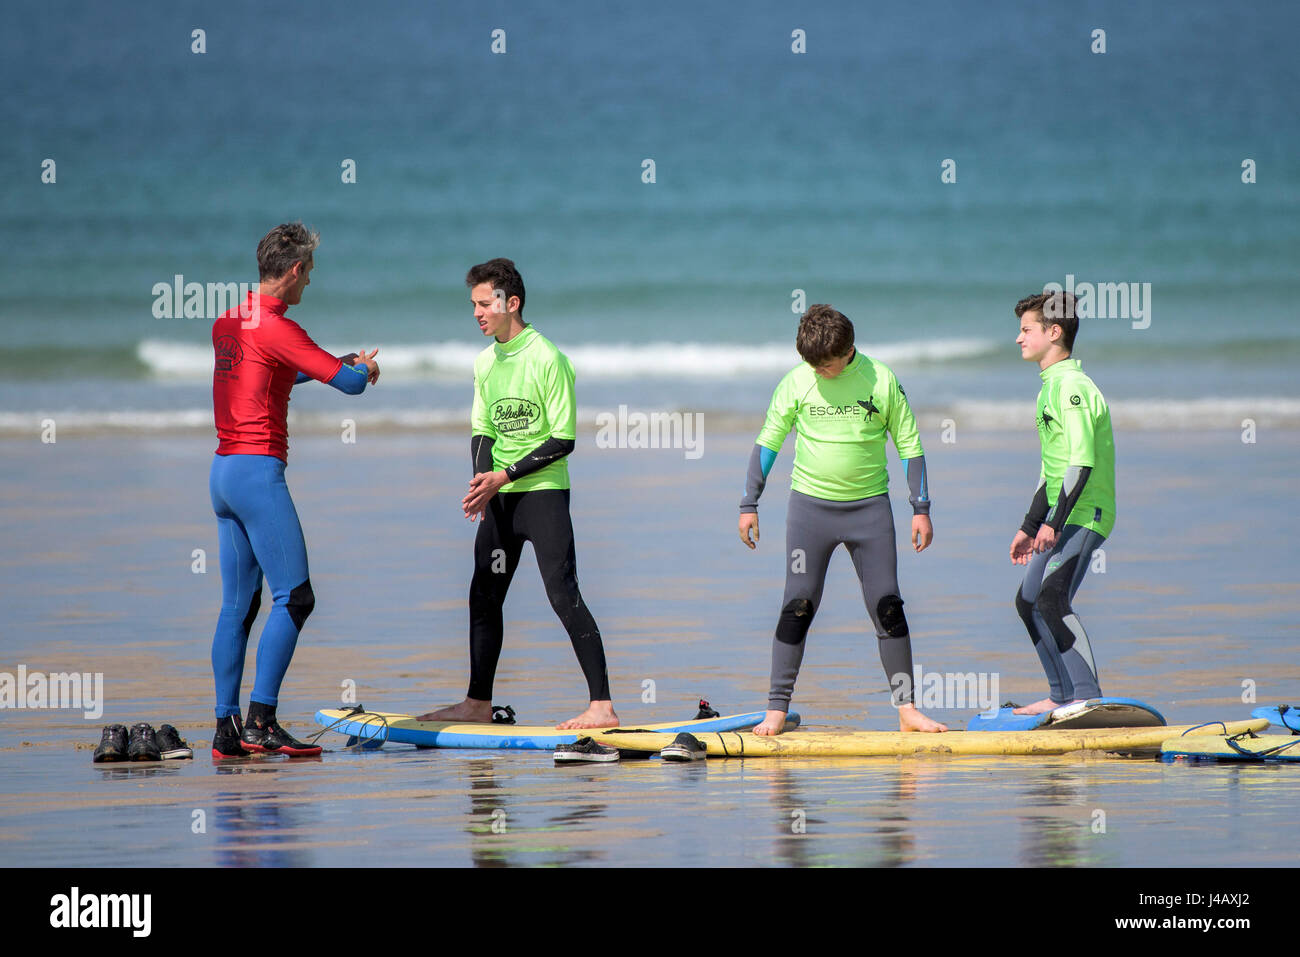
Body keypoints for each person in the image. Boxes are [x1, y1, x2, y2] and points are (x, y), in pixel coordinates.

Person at [417, 258, 617, 730]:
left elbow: (563, 438)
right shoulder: (486, 363)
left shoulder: (548, 357)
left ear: (512, 303)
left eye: (484, 304)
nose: (477, 313)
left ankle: (602, 706)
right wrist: (481, 483)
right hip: (500, 496)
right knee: (483, 595)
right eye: (473, 305)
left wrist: (503, 477)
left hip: (542, 495)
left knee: (562, 593)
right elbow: (482, 429)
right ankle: (477, 703)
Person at [208, 222, 379, 758]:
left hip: (223, 475)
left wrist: (328, 363)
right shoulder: (283, 327)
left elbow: (267, 373)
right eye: (310, 274)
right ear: (295, 269)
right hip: (259, 475)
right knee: (296, 597)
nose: (309, 286)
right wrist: (363, 368)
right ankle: (261, 720)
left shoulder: (228, 321)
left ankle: (226, 731)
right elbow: (350, 385)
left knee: (238, 606)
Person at [739, 304, 946, 735]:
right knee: (798, 605)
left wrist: (920, 509)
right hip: (808, 511)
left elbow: (910, 444)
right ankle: (776, 708)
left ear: (848, 350)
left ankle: (907, 710)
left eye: (826, 365)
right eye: (811, 364)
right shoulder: (798, 380)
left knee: (887, 605)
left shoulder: (881, 380)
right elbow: (768, 441)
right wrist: (749, 503)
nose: (818, 372)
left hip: (870, 511)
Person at [1008, 291, 1116, 715]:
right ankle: (1061, 694)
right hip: (1062, 515)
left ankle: (1087, 696)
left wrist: (1055, 521)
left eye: (1026, 330)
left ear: (1054, 333)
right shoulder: (1049, 387)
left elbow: (1082, 462)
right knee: (1028, 600)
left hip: (1085, 514)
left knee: (1052, 599)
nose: (1018, 338)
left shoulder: (1072, 388)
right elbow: (1050, 470)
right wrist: (1031, 524)